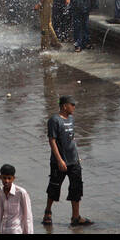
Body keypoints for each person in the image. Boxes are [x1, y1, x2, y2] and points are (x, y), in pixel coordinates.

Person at [44, 95, 90, 227]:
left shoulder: (71, 118)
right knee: (54, 186)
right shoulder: (54, 120)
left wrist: (76, 155)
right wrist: (59, 160)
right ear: (65, 106)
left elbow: (71, 138)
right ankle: (48, 212)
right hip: (59, 161)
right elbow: (52, 141)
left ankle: (75, 217)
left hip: (73, 161)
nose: (74, 107)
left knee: (76, 187)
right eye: (72, 104)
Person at [0, 163, 33, 234]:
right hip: (3, 230)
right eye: (4, 178)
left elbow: (28, 216)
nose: (6, 181)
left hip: (16, 230)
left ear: (13, 178)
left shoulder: (21, 193)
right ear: (0, 177)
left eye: (9, 178)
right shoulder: (0, 193)